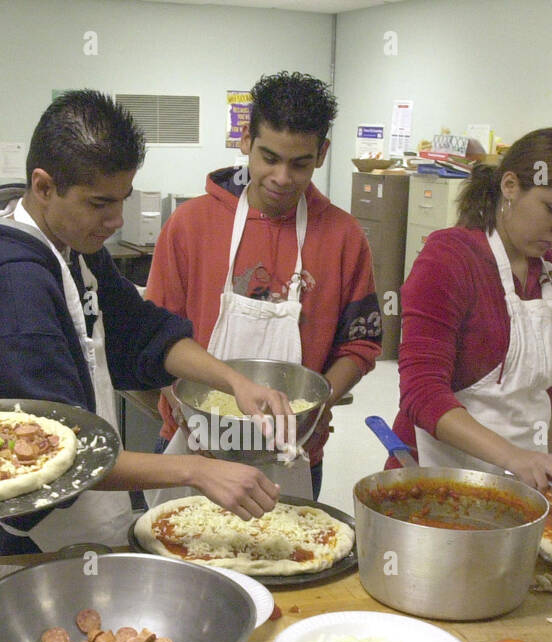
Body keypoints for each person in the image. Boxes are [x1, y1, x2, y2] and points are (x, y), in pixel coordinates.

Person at [0, 89, 289, 557]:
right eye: (99, 203)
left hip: (88, 510)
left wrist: (233, 381)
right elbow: (53, 454)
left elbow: (139, 330)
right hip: (37, 538)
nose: (116, 220)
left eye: (123, 199)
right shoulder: (13, 290)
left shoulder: (71, 247)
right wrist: (197, 470)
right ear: (44, 187)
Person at [145, 71, 382, 502]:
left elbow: (360, 345)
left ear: (322, 154)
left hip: (293, 452)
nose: (282, 176)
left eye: (300, 163)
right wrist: (187, 410)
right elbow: (153, 336)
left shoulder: (343, 236)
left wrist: (315, 407)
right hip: (191, 444)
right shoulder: (190, 225)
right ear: (245, 141)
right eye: (269, 157)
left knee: (291, 560)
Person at [388, 128, 552, 493]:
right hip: (438, 480)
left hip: (519, 485)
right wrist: (514, 457)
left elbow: (542, 391)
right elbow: (422, 395)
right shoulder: (449, 259)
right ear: (511, 186)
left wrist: (549, 462)